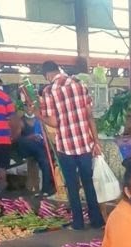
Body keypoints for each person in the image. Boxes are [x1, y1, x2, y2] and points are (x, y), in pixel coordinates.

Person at [39, 60, 105, 231]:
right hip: (84, 143)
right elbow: (90, 116)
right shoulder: (79, 84)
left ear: (47, 75)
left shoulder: (48, 91)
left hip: (65, 146)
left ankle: (78, 223)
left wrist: (38, 115)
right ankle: (97, 220)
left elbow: (53, 122)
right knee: (88, 183)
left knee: (72, 185)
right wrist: (96, 142)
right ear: (58, 69)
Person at [14, 91, 57, 197]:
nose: (29, 108)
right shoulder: (21, 121)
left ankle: (46, 189)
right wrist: (31, 137)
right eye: (27, 106)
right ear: (24, 108)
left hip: (39, 147)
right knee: (38, 150)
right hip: (25, 148)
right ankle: (46, 188)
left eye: (31, 106)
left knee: (45, 160)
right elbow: (17, 139)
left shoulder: (40, 120)